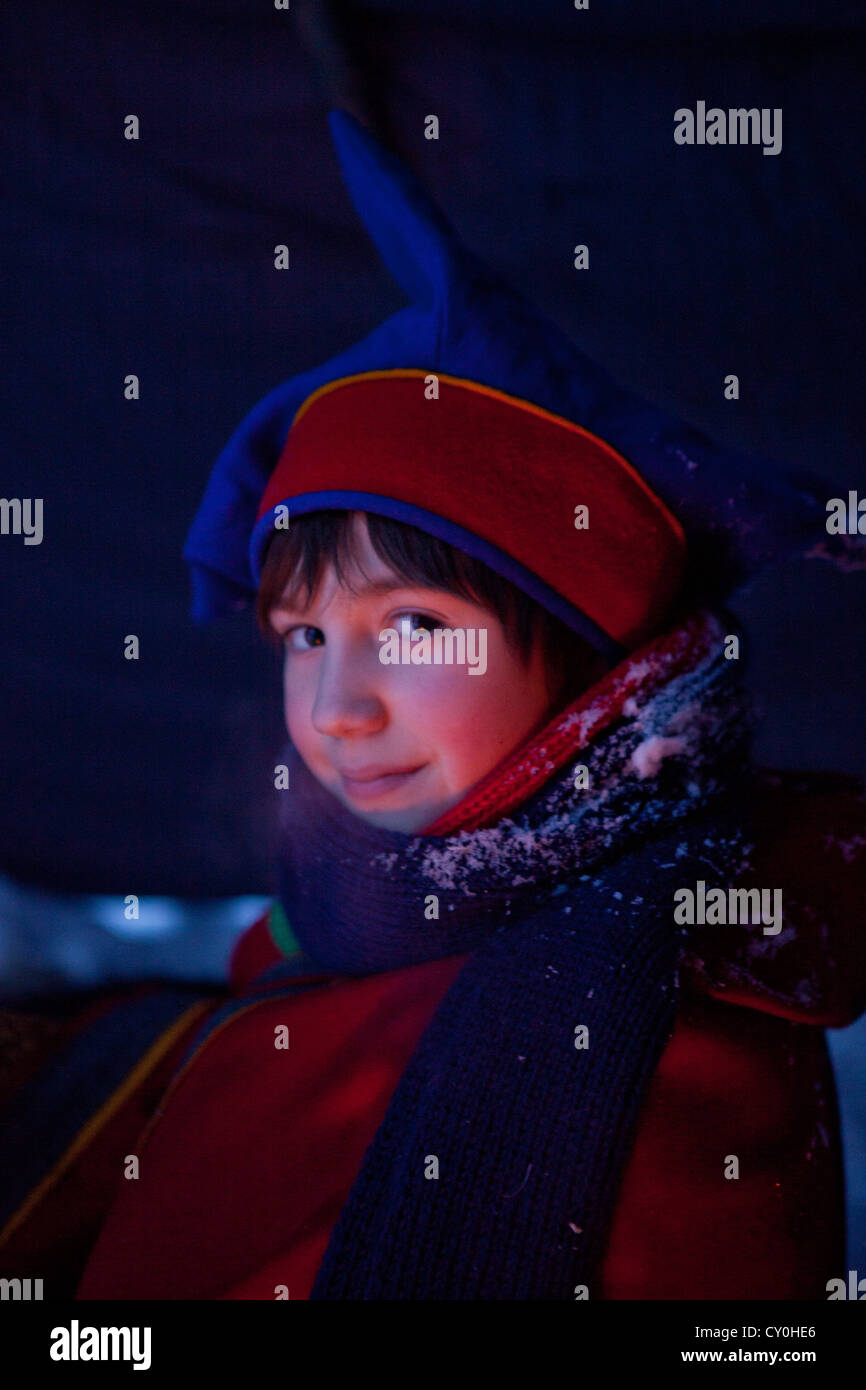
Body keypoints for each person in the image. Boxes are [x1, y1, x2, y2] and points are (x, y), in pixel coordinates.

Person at [2, 109, 864, 1301]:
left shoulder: (656, 1048)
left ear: (583, 659)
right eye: (304, 635)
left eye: (415, 626)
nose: (335, 708)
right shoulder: (344, 909)